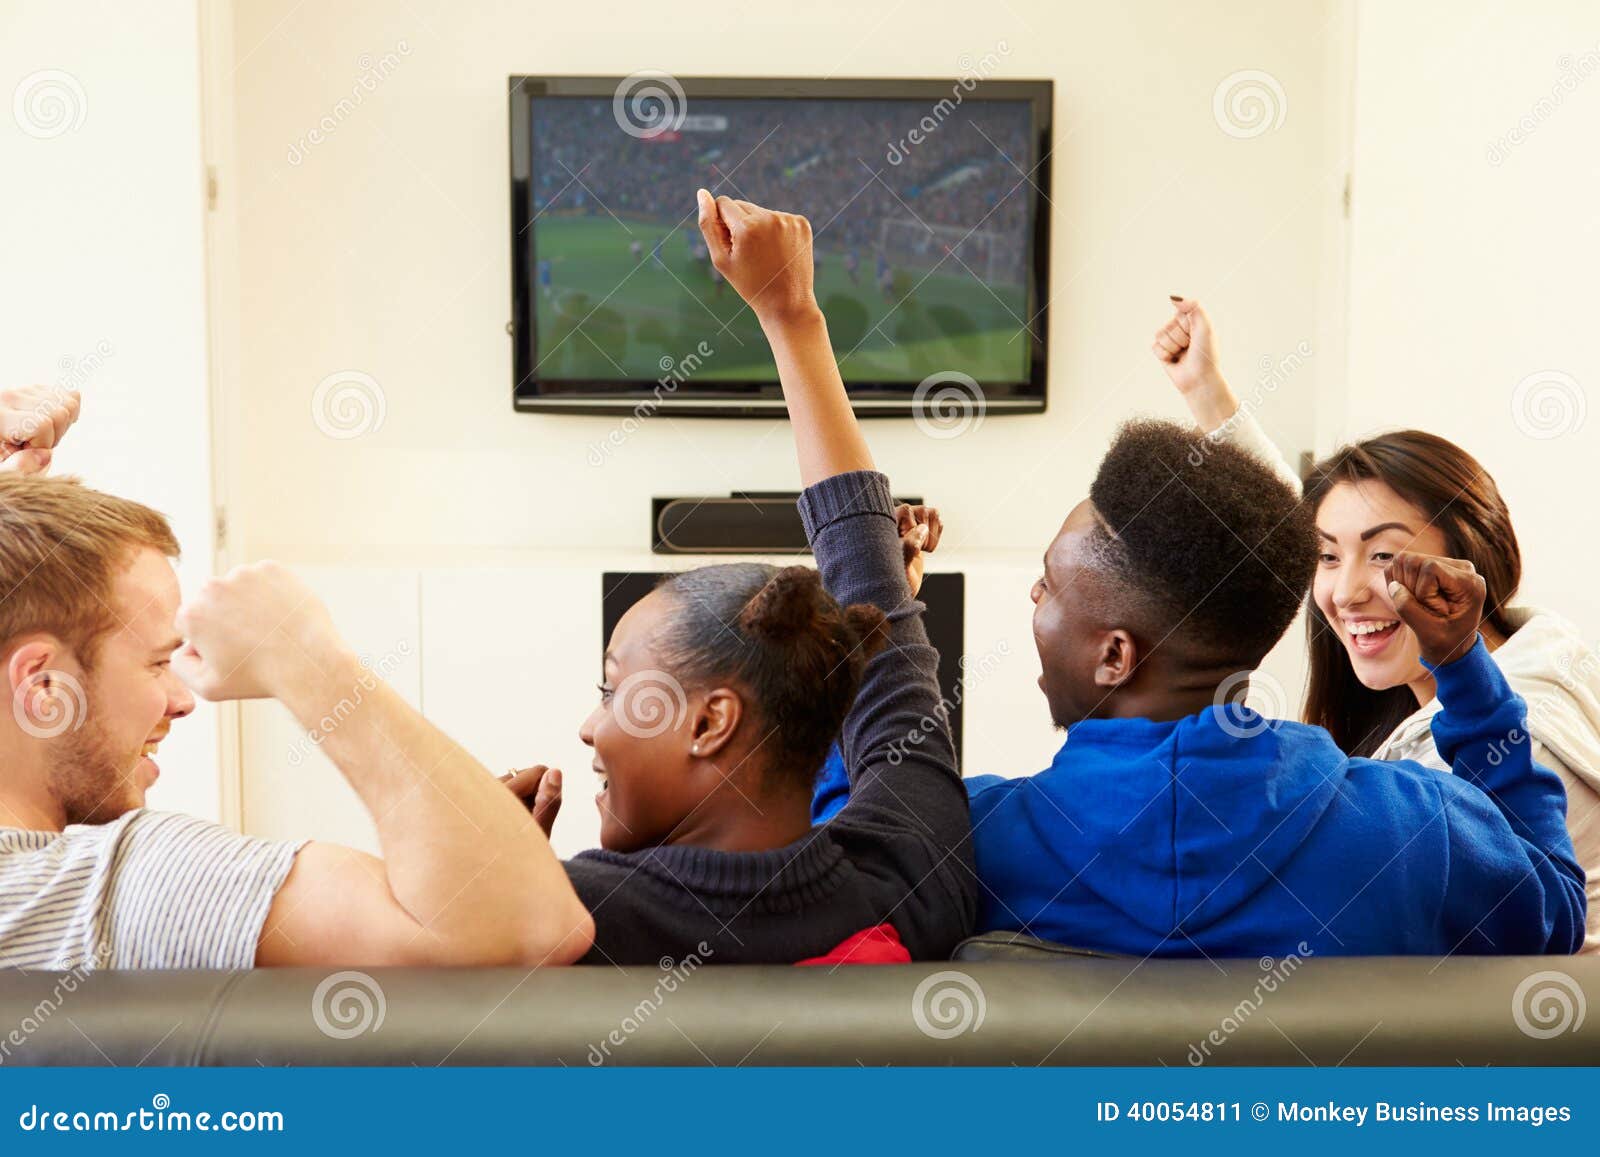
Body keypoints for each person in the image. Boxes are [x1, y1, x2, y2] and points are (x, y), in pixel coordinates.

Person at [812, 416, 1584, 956]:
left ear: (1116, 655)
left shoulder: (973, 842)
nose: (1035, 598)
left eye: (1048, 583)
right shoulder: (1414, 832)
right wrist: (1465, 673)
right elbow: (1555, 899)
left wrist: (862, 656)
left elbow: (843, 855)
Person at [514, 189, 976, 966]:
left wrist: (490, 876)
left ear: (710, 722)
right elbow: (878, 624)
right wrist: (793, 315)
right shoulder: (916, 874)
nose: (590, 726)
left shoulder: (564, 919)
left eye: (612, 689)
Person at [0, 391, 593, 970]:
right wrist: (304, 656)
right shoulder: (112, 891)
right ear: (43, 686)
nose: (182, 701)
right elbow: (537, 926)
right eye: (157, 662)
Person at [1155, 297, 1600, 951]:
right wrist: (1206, 392)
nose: (1345, 591)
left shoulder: (1508, 744)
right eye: (1328, 558)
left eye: (1385, 556)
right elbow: (1309, 527)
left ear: (1468, 565)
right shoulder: (1534, 649)